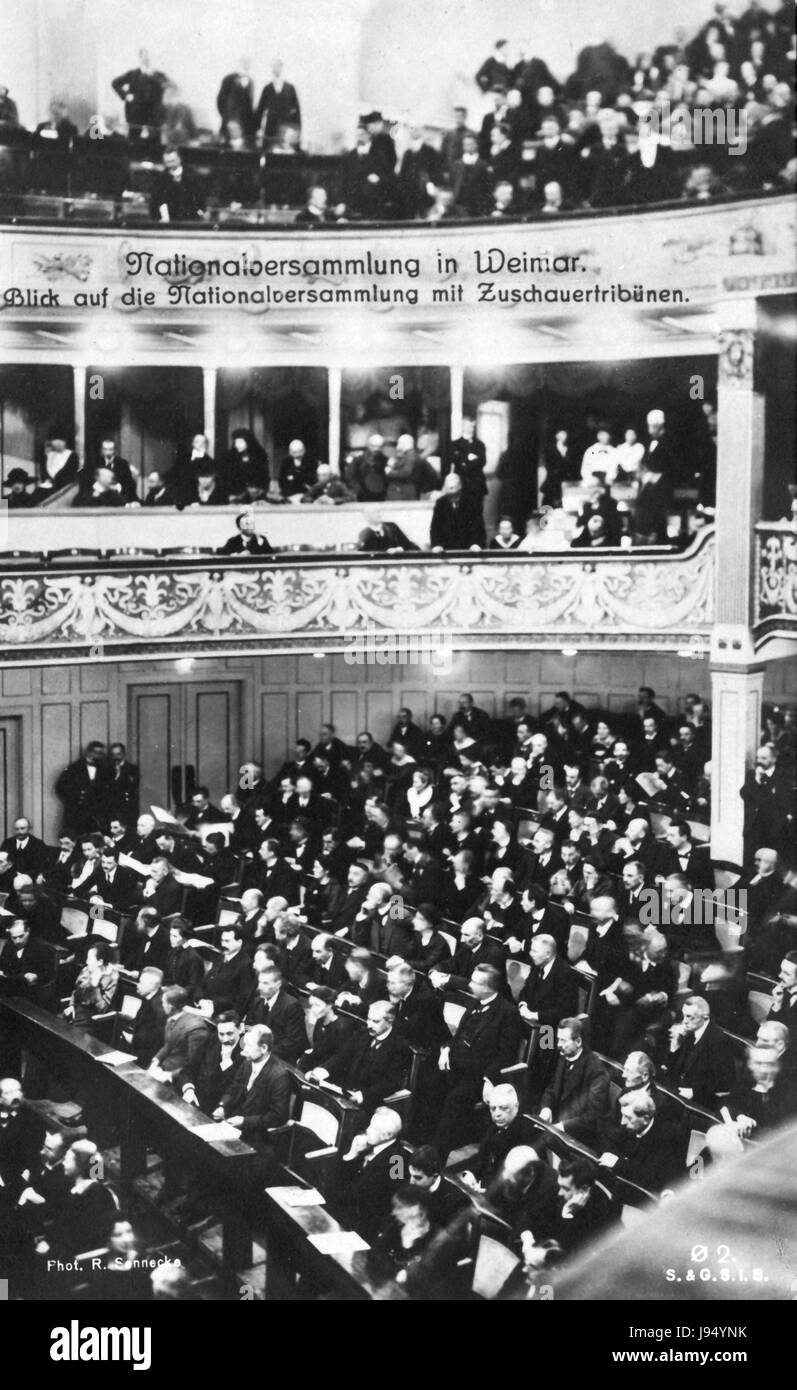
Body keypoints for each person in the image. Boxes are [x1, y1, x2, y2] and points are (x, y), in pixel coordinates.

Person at [214, 1024, 292, 1153]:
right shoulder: (247, 1063)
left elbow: (278, 1116)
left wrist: (245, 1121)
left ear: (263, 1048)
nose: (243, 1051)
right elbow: (234, 1088)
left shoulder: (278, 1076)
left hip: (259, 1135)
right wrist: (223, 1106)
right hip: (237, 1125)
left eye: (249, 1046)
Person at [665, 995, 735, 1110]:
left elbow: (725, 1082)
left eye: (689, 1017)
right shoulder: (689, 1032)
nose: (684, 1021)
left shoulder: (718, 1040)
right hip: (680, 1092)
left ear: (705, 1018)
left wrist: (695, 1092)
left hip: (701, 1100)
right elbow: (672, 1069)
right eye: (684, 1016)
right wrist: (675, 1045)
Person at [64, 942, 119, 1024]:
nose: (86, 962)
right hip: (76, 1010)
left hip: (92, 1018)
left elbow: (102, 1009)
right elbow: (75, 991)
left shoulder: (112, 977)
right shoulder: (86, 970)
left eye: (89, 959)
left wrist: (95, 987)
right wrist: (71, 1005)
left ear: (100, 962)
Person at [430, 473, 486, 550]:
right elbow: (435, 527)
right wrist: (436, 545)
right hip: (446, 548)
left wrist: (476, 543)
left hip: (469, 547)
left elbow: (477, 525)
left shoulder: (471, 502)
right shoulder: (440, 503)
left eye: (454, 488)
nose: (452, 493)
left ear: (460, 486)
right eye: (449, 488)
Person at [150, 147, 206, 222]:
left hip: (191, 220)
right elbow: (155, 201)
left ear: (180, 159)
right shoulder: (160, 179)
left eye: (172, 161)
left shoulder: (192, 176)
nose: (170, 164)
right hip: (169, 222)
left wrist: (200, 211)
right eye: (167, 162)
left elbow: (200, 196)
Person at [256, 59, 301, 144]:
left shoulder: (290, 88)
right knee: (269, 149)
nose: (276, 69)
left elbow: (296, 110)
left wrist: (296, 128)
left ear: (281, 68)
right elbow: (260, 109)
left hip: (285, 127)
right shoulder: (267, 88)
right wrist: (257, 128)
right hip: (270, 126)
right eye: (274, 66)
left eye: (278, 66)